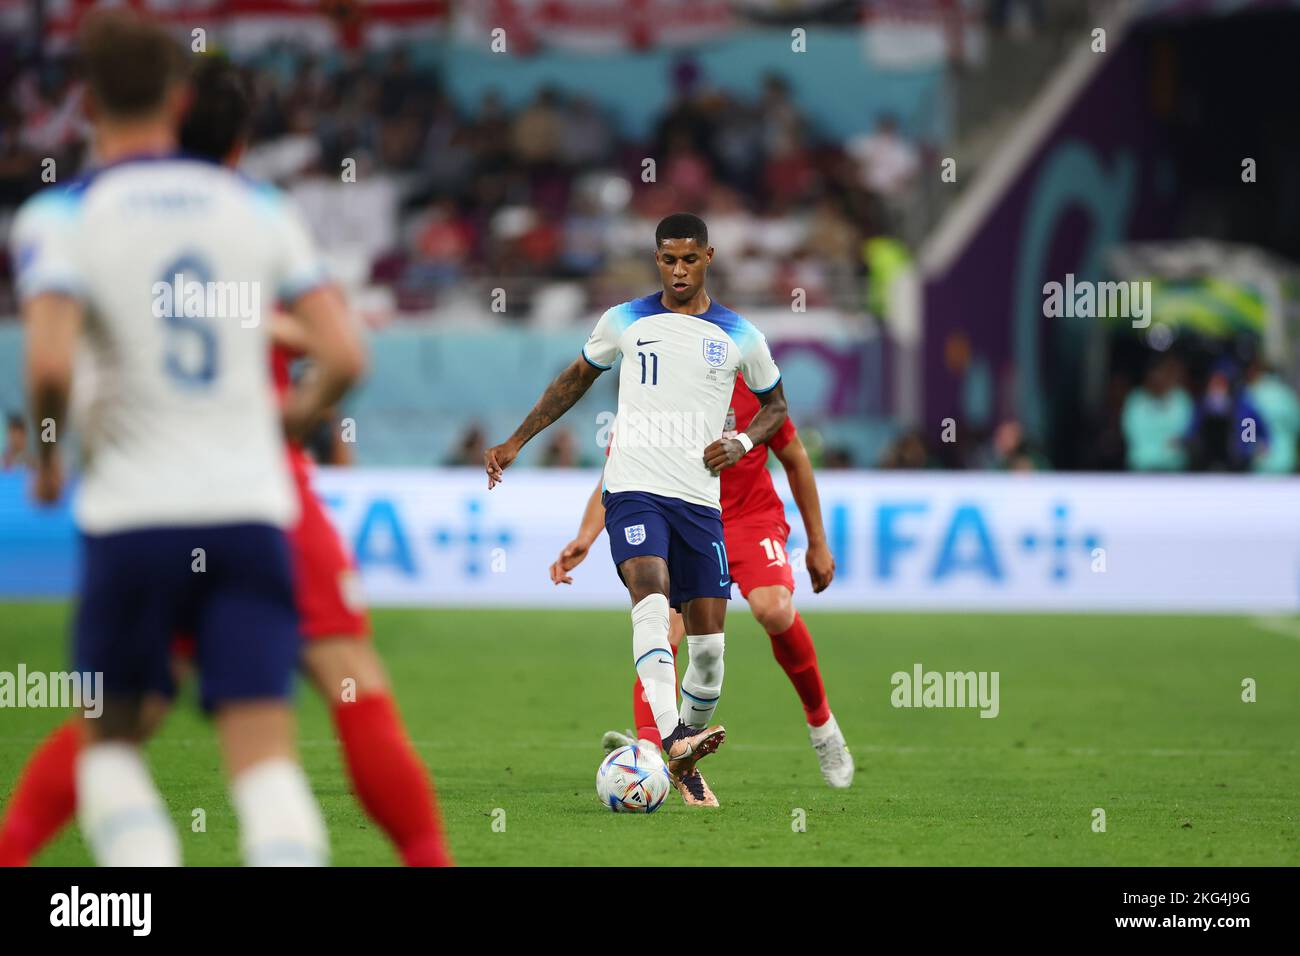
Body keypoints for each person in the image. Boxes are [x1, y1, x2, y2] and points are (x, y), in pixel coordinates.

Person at [0, 52, 450, 867]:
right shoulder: (251, 217)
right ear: (240, 144)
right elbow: (333, 347)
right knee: (340, 678)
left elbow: (59, 359)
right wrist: (296, 403)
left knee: (117, 722)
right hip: (256, 493)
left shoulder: (103, 221)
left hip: (143, 503)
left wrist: (50, 456)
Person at [485, 212, 788, 805]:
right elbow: (574, 379)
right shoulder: (623, 320)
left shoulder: (740, 335)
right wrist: (517, 440)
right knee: (648, 588)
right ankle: (673, 736)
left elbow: (775, 406)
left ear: (709, 257)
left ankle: (686, 749)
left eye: (689, 258)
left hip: (700, 502)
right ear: (658, 260)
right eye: (668, 259)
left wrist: (744, 442)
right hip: (635, 488)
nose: (679, 270)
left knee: (709, 656)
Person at [549, 370, 854, 799]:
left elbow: (796, 457)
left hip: (749, 518)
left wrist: (818, 543)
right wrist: (585, 535)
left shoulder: (754, 387)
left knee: (774, 609)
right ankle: (654, 751)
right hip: (684, 519)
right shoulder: (656, 390)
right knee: (667, 627)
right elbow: (617, 474)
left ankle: (822, 724)